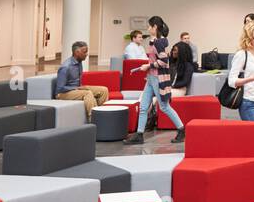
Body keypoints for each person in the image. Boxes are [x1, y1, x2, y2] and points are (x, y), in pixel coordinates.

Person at [124, 16, 185, 145]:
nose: (148, 28)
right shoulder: (156, 41)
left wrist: (149, 66)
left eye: (149, 26)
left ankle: (181, 129)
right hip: (151, 79)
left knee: (164, 106)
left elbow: (164, 61)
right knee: (143, 107)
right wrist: (145, 67)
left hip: (158, 79)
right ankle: (139, 134)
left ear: (155, 27)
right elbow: (154, 59)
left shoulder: (159, 43)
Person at [55, 41, 109, 116]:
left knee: (104, 90)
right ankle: (94, 119)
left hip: (77, 88)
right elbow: (60, 88)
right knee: (87, 93)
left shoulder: (79, 62)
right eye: (84, 52)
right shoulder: (66, 67)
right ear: (77, 52)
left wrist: (79, 88)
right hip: (63, 93)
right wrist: (76, 88)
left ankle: (101, 114)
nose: (86, 54)